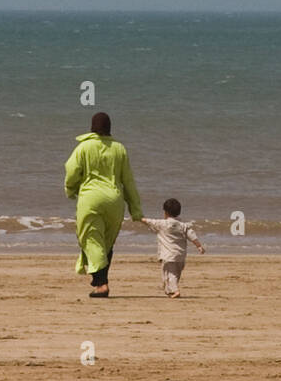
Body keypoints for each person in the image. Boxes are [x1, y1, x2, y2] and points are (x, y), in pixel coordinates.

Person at [64, 112, 143, 297]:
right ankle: (99, 281)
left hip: (91, 198)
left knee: (91, 240)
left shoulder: (84, 147)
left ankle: (101, 284)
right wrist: (136, 209)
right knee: (106, 243)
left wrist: (70, 189)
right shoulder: (119, 149)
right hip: (114, 201)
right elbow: (128, 181)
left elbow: (71, 170)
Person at [141, 198, 205, 297]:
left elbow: (149, 221)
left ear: (165, 212)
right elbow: (192, 236)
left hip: (168, 255)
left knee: (169, 274)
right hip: (180, 256)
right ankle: (171, 290)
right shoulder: (183, 225)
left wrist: (138, 217)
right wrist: (199, 246)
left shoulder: (162, 224)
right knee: (175, 275)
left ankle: (175, 291)